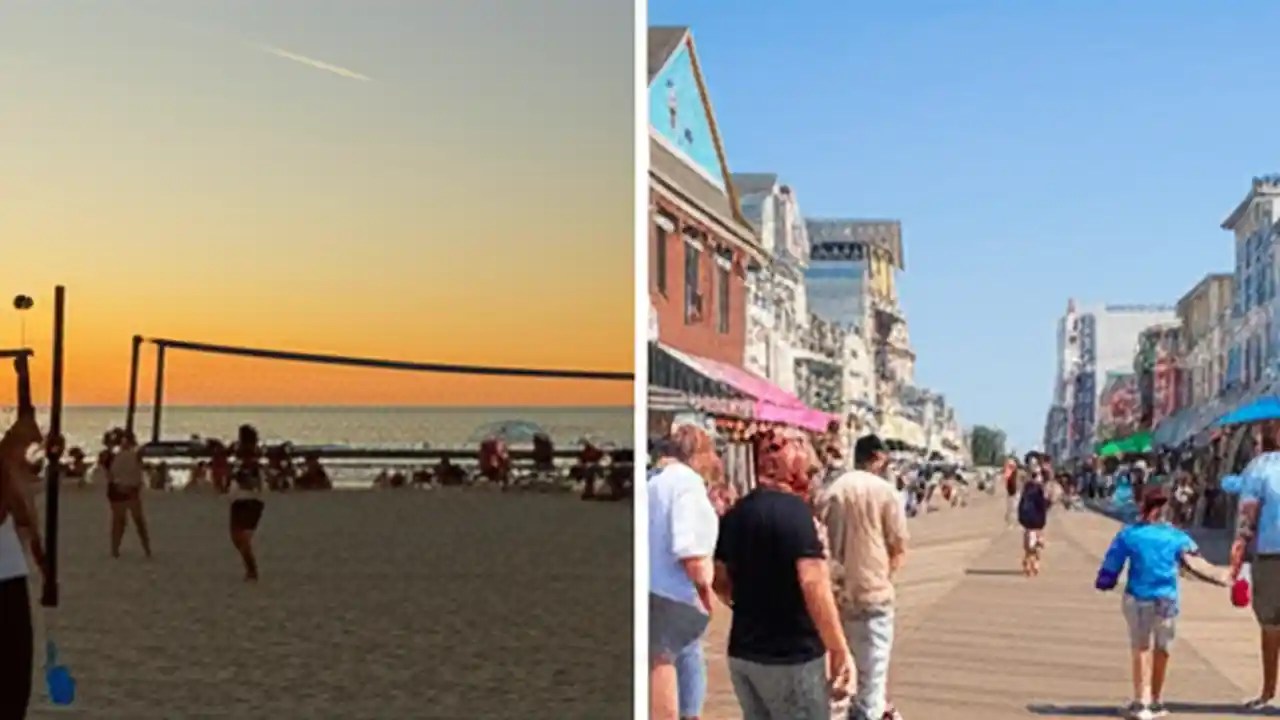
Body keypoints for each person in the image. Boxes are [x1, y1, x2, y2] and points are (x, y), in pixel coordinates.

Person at [713, 431, 853, 720]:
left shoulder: (737, 513)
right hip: (791, 656)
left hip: (744, 651)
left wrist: (746, 602)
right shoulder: (796, 513)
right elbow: (813, 583)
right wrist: (838, 648)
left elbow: (719, 578)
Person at [1096, 487, 1228, 720]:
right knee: (1162, 648)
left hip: (1138, 596)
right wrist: (1225, 577)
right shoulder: (1177, 537)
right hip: (1167, 598)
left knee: (1141, 648)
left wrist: (1106, 580)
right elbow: (1197, 564)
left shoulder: (1129, 534)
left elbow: (1112, 562)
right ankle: (1156, 700)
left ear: (1142, 506)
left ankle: (1141, 702)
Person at [820, 433, 910, 720]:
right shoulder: (886, 492)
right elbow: (899, 545)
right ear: (878, 459)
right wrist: (885, 574)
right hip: (874, 595)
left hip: (836, 595)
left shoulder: (834, 490)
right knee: (872, 684)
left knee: (839, 678)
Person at [648, 424, 719, 720]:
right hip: (675, 590)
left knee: (688, 651)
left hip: (655, 585)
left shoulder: (654, 482)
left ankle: (691, 712)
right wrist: (706, 591)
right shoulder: (687, 484)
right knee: (662, 658)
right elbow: (689, 548)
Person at [0, 407, 51, 719]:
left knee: (14, 670)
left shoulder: (11, 471)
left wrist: (46, 573)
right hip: (7, 578)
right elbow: (27, 523)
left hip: (11, 573)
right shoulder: (6, 474)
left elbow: (31, 530)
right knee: (13, 670)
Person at [1230, 421, 1280, 711]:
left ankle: (1268, 692)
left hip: (1271, 554)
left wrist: (1240, 547)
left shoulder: (1260, 467)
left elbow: (1248, 512)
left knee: (1271, 623)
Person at [228, 424, 266, 581]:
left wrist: (240, 477)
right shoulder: (244, 453)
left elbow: (252, 480)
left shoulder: (249, 456)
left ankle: (252, 570)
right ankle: (250, 568)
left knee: (240, 537)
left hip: (247, 498)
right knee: (238, 537)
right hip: (242, 498)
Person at [108, 430, 153, 559]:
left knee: (120, 522)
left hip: (119, 490)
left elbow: (112, 474)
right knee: (136, 521)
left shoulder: (118, 456)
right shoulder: (132, 456)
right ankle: (145, 548)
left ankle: (115, 549)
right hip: (129, 490)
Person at [1018, 465, 1050, 577]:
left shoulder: (1028, 488)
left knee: (1031, 544)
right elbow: (1043, 505)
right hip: (1035, 521)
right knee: (1035, 544)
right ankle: (1032, 562)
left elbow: (1022, 505)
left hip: (1030, 521)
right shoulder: (1038, 489)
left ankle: (1030, 562)